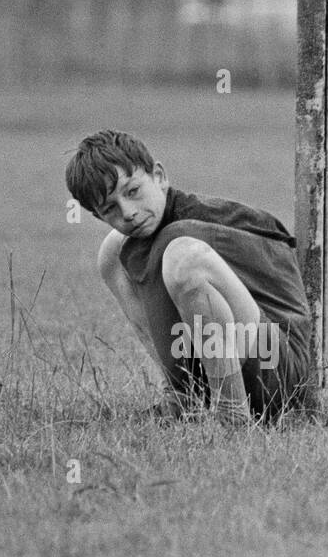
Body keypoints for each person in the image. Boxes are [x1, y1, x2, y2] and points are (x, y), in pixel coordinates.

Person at [66, 130, 312, 424]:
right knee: (112, 250)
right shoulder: (137, 240)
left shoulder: (213, 221)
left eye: (132, 191)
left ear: (159, 176)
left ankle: (231, 415)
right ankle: (183, 395)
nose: (128, 212)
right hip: (215, 361)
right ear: (98, 215)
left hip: (279, 369)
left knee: (182, 255)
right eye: (110, 208)